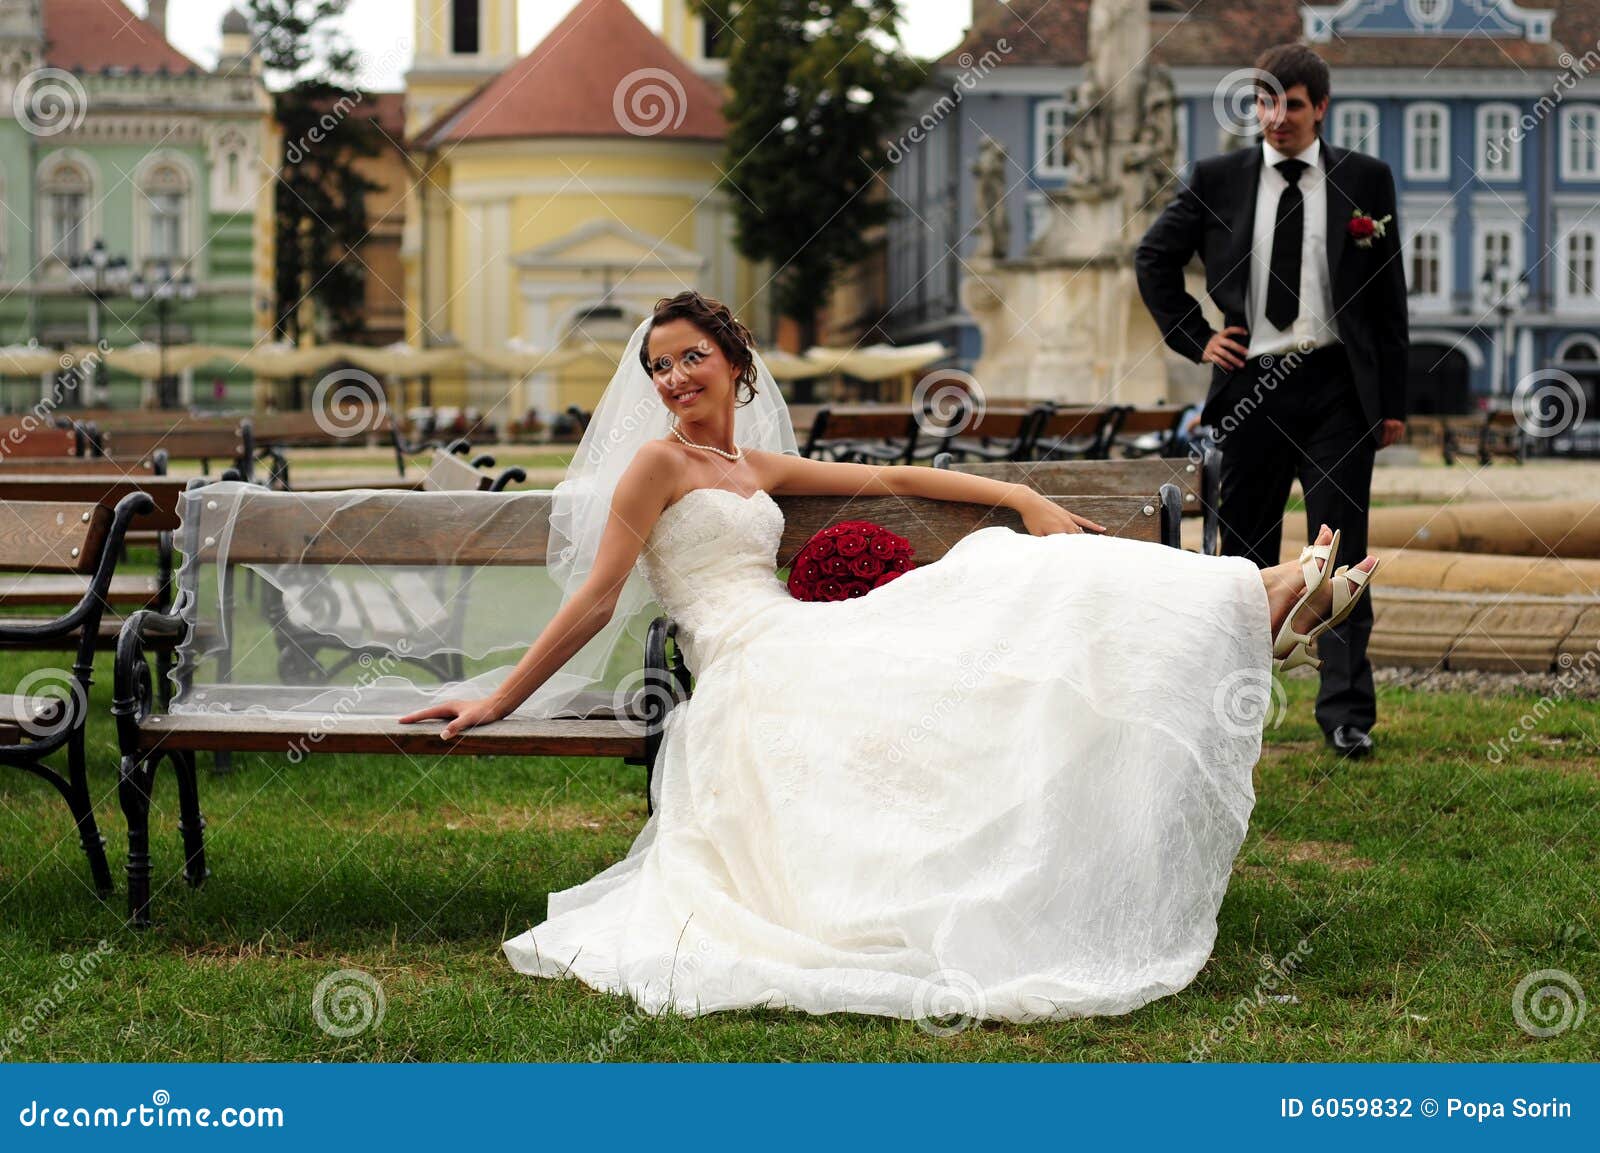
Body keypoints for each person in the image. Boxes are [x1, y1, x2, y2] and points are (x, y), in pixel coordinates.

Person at [397, 290, 1379, 1024]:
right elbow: (598, 596)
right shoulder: (655, 464)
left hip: (798, 637)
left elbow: (894, 471)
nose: (671, 380)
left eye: (688, 358)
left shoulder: (750, 466)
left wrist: (1021, 500)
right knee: (998, 600)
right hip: (751, 667)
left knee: (1009, 575)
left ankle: (1257, 599)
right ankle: (1262, 598)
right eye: (657, 367)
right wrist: (500, 698)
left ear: (737, 363)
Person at [1134, 43, 1408, 760]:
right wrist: (1196, 338)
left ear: (1320, 107)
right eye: (1264, 103)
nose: (1275, 117)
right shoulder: (1216, 178)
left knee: (1341, 552)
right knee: (1241, 554)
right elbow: (1154, 258)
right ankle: (1234, 707)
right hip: (1248, 387)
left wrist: (1393, 403)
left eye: (1290, 103)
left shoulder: (1366, 181)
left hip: (1336, 387)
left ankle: (1347, 715)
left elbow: (1387, 300)